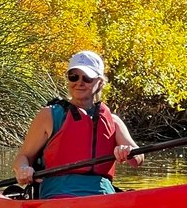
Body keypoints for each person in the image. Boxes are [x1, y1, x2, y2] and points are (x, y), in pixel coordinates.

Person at [12, 50, 144, 197]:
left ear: (100, 83)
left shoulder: (113, 122)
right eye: (73, 77)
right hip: (58, 194)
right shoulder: (49, 115)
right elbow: (23, 157)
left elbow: (138, 159)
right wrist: (23, 169)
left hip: (103, 195)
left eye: (87, 78)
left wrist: (129, 151)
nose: (79, 83)